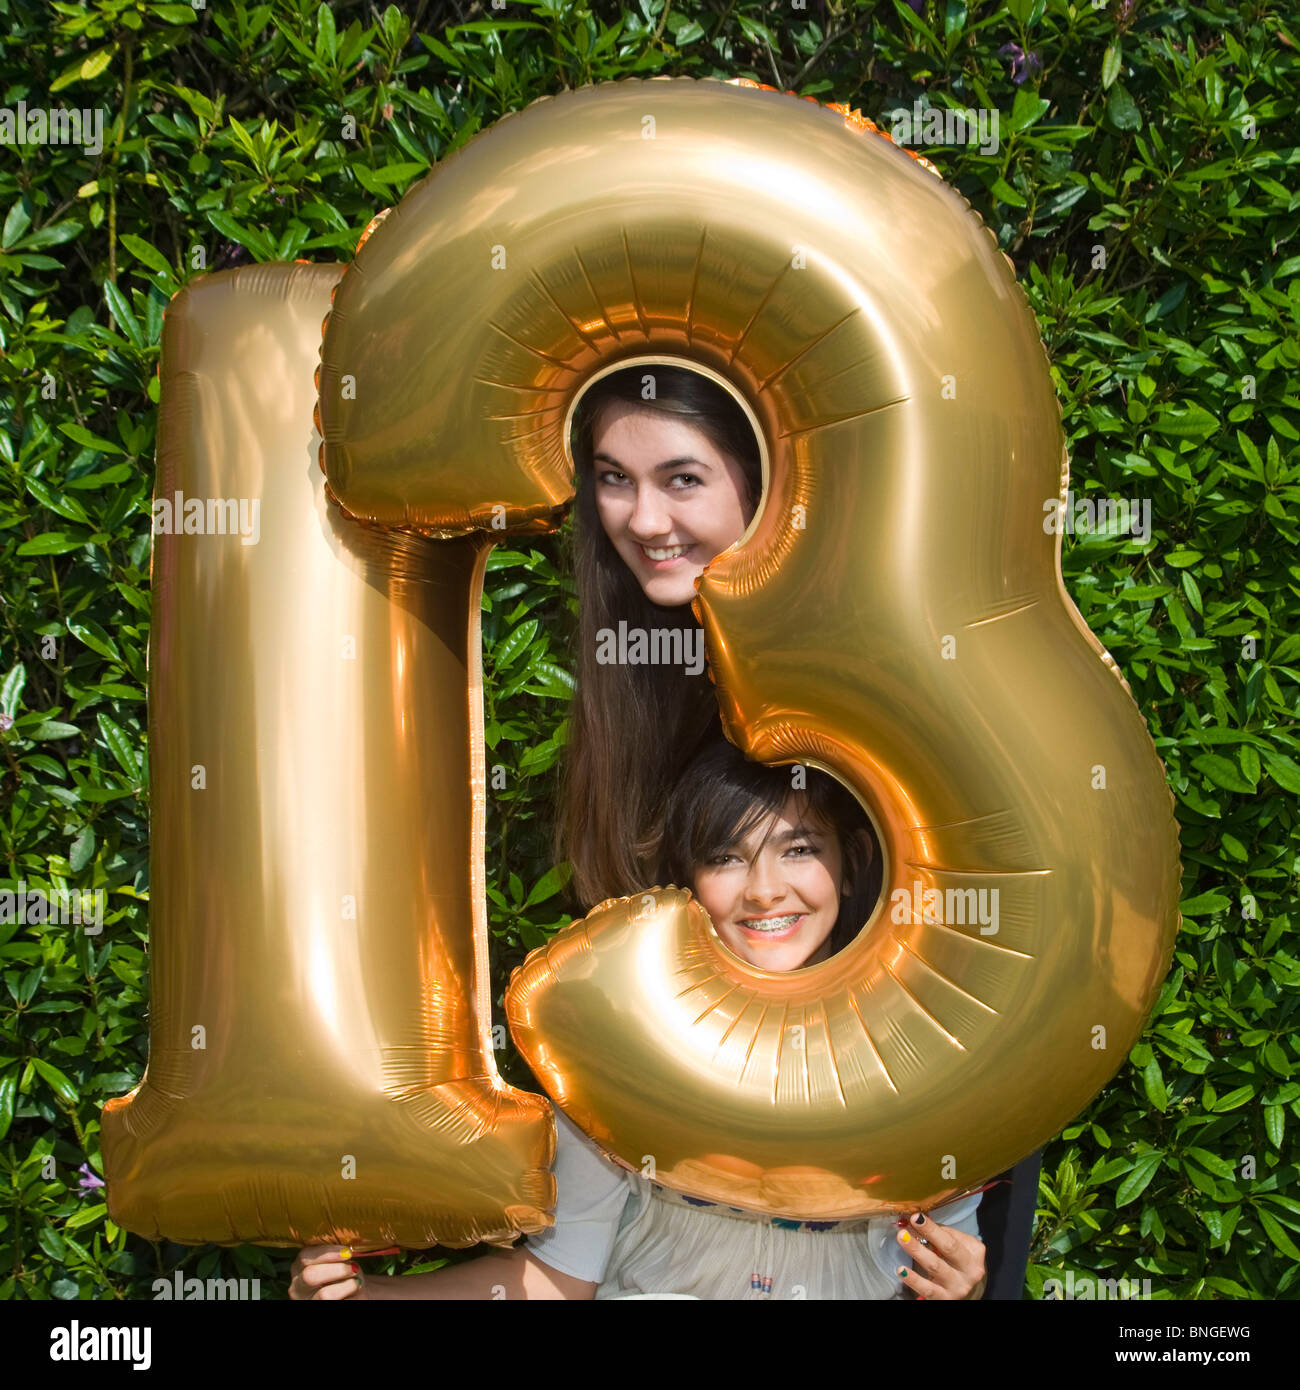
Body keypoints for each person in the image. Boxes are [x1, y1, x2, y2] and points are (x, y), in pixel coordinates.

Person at [290, 740, 986, 1300]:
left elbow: (934, 1270)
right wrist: (368, 1296)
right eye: (726, 858)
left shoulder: (916, 1054)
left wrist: (958, 1291)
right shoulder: (631, 1049)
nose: (766, 889)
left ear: (849, 863)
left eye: (799, 849)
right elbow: (562, 1278)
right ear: (688, 885)